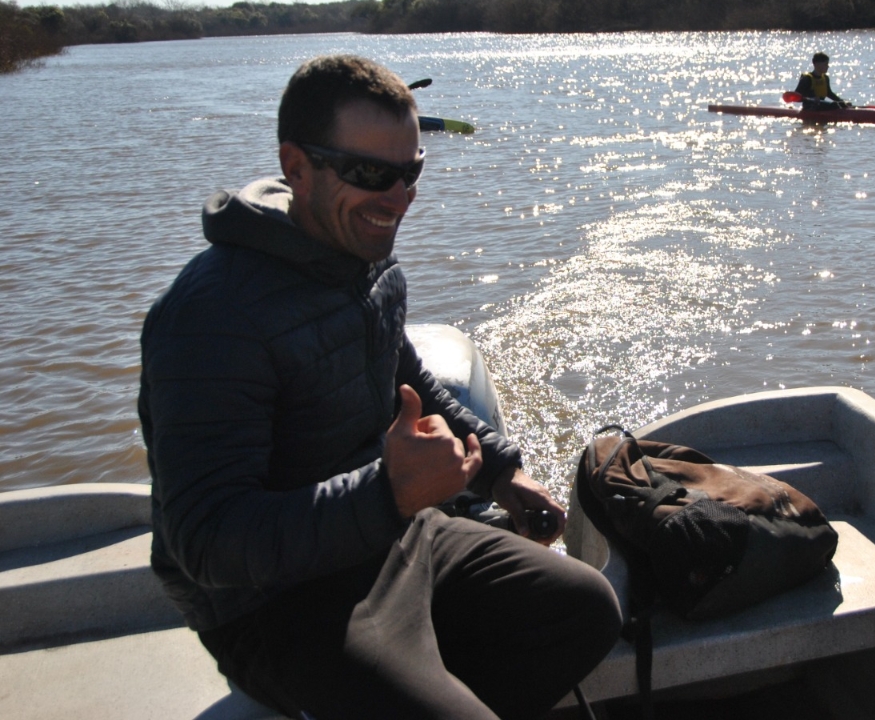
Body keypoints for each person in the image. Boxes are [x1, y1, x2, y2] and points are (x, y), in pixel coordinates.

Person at [139, 54, 621, 720]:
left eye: (410, 171)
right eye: (371, 173)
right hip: (278, 605)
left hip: (397, 537)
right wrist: (386, 495)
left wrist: (500, 472)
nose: (397, 197)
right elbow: (207, 541)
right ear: (297, 167)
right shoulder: (211, 317)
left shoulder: (364, 263)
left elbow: (413, 385)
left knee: (587, 610)